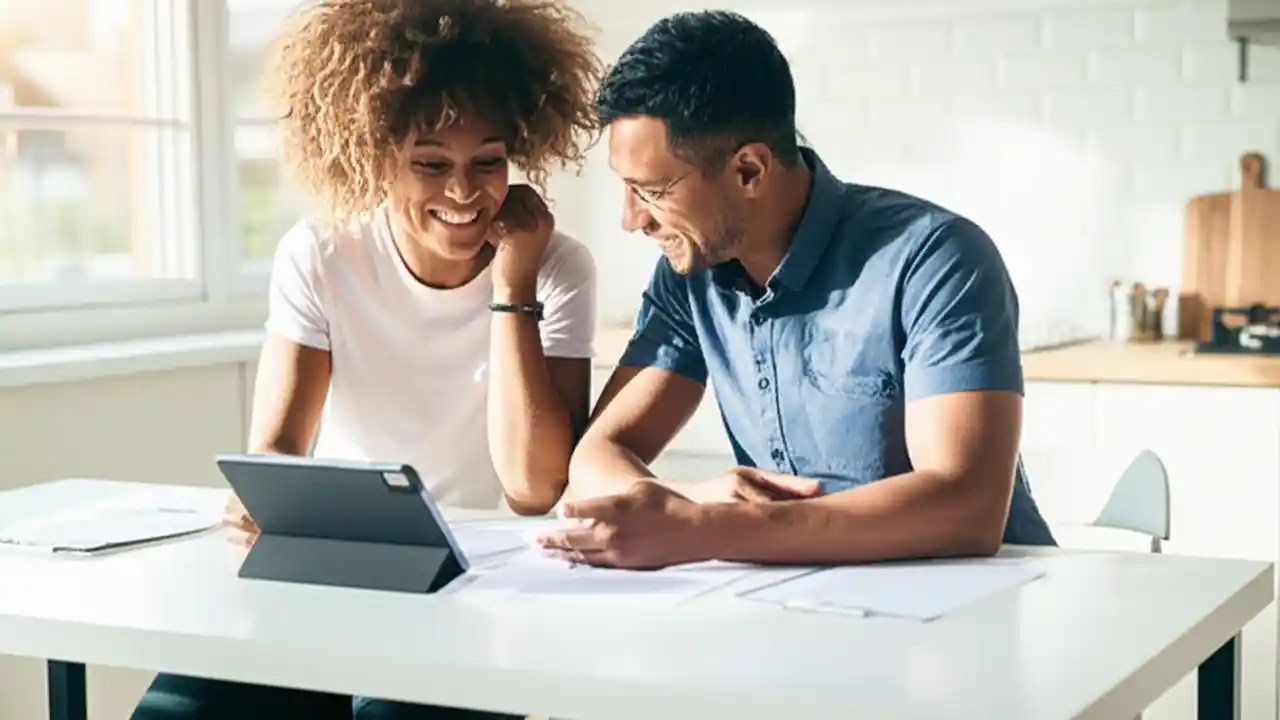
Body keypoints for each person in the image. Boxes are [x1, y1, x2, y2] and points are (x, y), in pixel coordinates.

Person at [132, 0, 600, 717]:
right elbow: (277, 455)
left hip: (486, 594)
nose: (464, 193)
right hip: (341, 574)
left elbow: (534, 487)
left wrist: (513, 285)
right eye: (430, 164)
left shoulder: (556, 267)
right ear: (377, 154)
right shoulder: (321, 253)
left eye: (488, 162)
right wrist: (260, 508)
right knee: (180, 710)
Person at [539, 10, 1056, 570]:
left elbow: (966, 507)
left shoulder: (935, 258)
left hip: (982, 599)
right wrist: (703, 501)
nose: (631, 219)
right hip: (804, 604)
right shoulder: (692, 274)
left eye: (653, 190)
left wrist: (712, 528)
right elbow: (596, 457)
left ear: (749, 171)